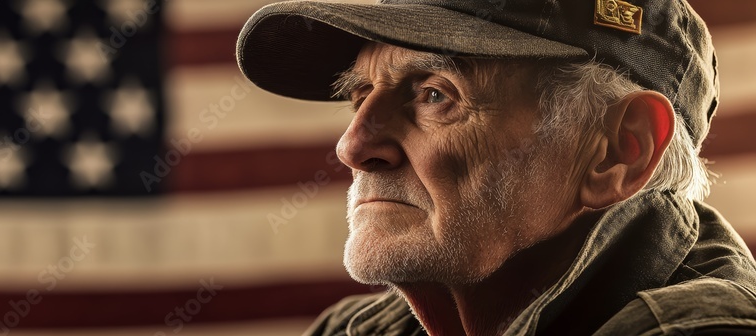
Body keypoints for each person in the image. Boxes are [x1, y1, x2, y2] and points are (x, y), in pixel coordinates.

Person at [235, 0, 756, 335]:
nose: (352, 146)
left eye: (436, 94)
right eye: (361, 94)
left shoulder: (700, 330)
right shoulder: (353, 329)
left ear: (619, 151)